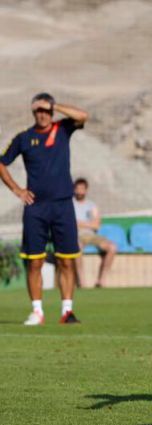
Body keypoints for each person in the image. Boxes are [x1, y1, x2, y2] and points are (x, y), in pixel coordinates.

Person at [0, 93, 88, 325]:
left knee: (66, 260)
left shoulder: (63, 129)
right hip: (35, 208)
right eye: (38, 110)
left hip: (63, 206)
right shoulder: (24, 138)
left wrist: (55, 105)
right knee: (35, 261)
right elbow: (1, 163)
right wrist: (17, 190)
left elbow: (83, 116)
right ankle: (37, 312)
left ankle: (67, 311)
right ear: (33, 112)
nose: (43, 115)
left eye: (46, 111)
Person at [73, 177, 117, 288]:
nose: (80, 191)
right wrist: (89, 223)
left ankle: (101, 280)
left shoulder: (91, 205)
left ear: (86, 190)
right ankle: (82, 282)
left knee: (112, 247)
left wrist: (80, 223)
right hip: (77, 236)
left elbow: (96, 225)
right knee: (77, 247)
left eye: (82, 189)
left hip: (92, 235)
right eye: (77, 188)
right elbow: (71, 224)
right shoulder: (70, 204)